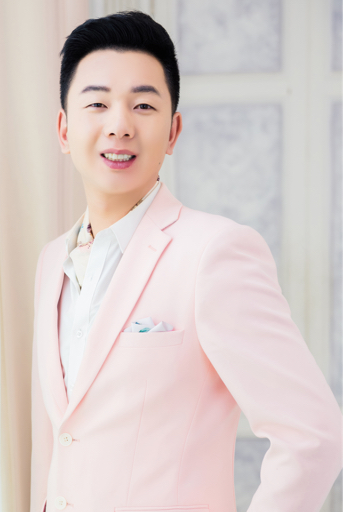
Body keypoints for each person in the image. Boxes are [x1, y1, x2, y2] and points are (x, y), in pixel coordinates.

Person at [30, 10, 342, 512]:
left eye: (143, 105)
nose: (119, 125)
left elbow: (312, 435)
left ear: (173, 131)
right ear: (64, 130)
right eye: (97, 104)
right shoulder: (52, 262)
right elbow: (58, 443)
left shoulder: (215, 252)